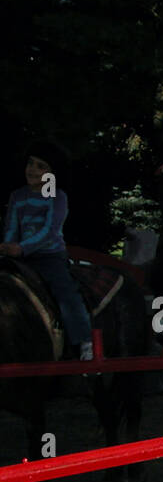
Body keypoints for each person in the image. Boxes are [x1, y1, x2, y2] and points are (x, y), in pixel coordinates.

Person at [1, 146, 95, 360]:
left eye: (41, 166)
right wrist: (8, 244)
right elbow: (11, 224)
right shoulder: (17, 196)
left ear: (53, 173)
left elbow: (50, 231)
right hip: (18, 256)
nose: (32, 170)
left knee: (65, 292)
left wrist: (23, 247)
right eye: (30, 163)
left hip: (48, 256)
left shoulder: (56, 197)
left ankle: (83, 340)